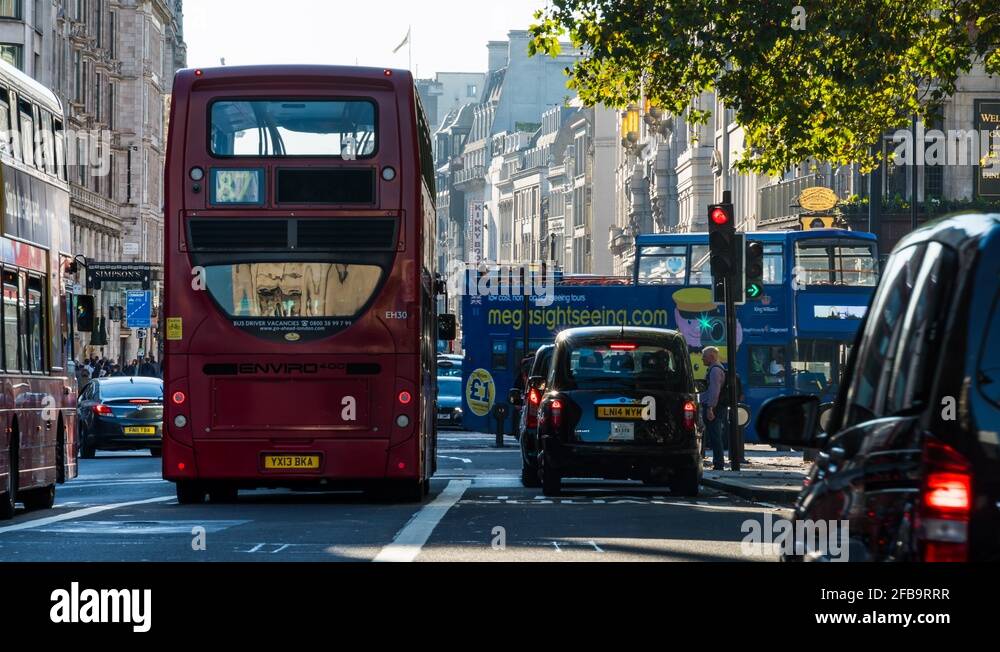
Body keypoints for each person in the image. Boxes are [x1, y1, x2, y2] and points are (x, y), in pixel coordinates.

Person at [700, 346, 728, 471]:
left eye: (704, 356)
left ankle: (719, 464)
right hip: (714, 407)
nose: (702, 359)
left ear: (711, 357)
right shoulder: (715, 369)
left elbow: (714, 391)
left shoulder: (715, 371)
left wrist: (710, 408)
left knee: (715, 436)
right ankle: (717, 462)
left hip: (713, 408)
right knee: (713, 435)